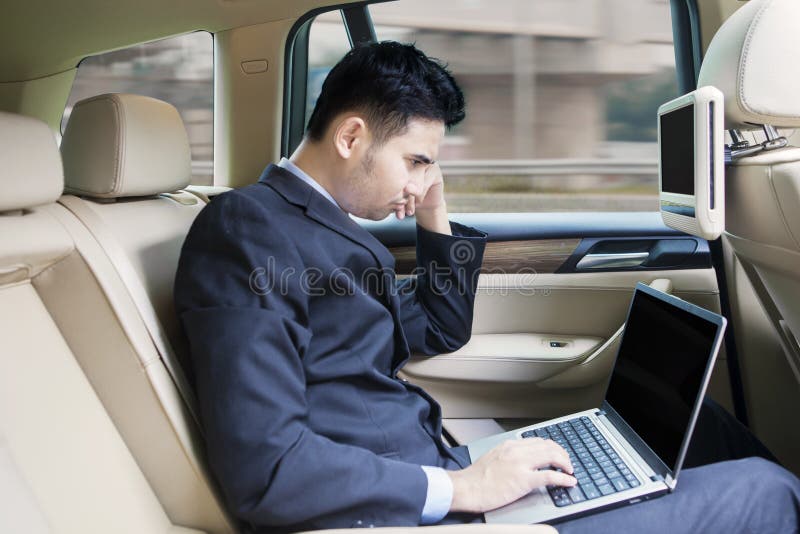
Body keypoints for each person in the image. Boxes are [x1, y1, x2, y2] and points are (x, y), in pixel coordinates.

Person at [174, 41, 800, 533]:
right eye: (416, 161)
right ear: (350, 137)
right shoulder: (247, 230)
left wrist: (430, 204)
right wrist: (466, 488)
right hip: (408, 507)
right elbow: (268, 467)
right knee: (768, 490)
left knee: (703, 425)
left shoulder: (322, 227)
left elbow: (442, 326)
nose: (424, 179)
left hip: (436, 466)